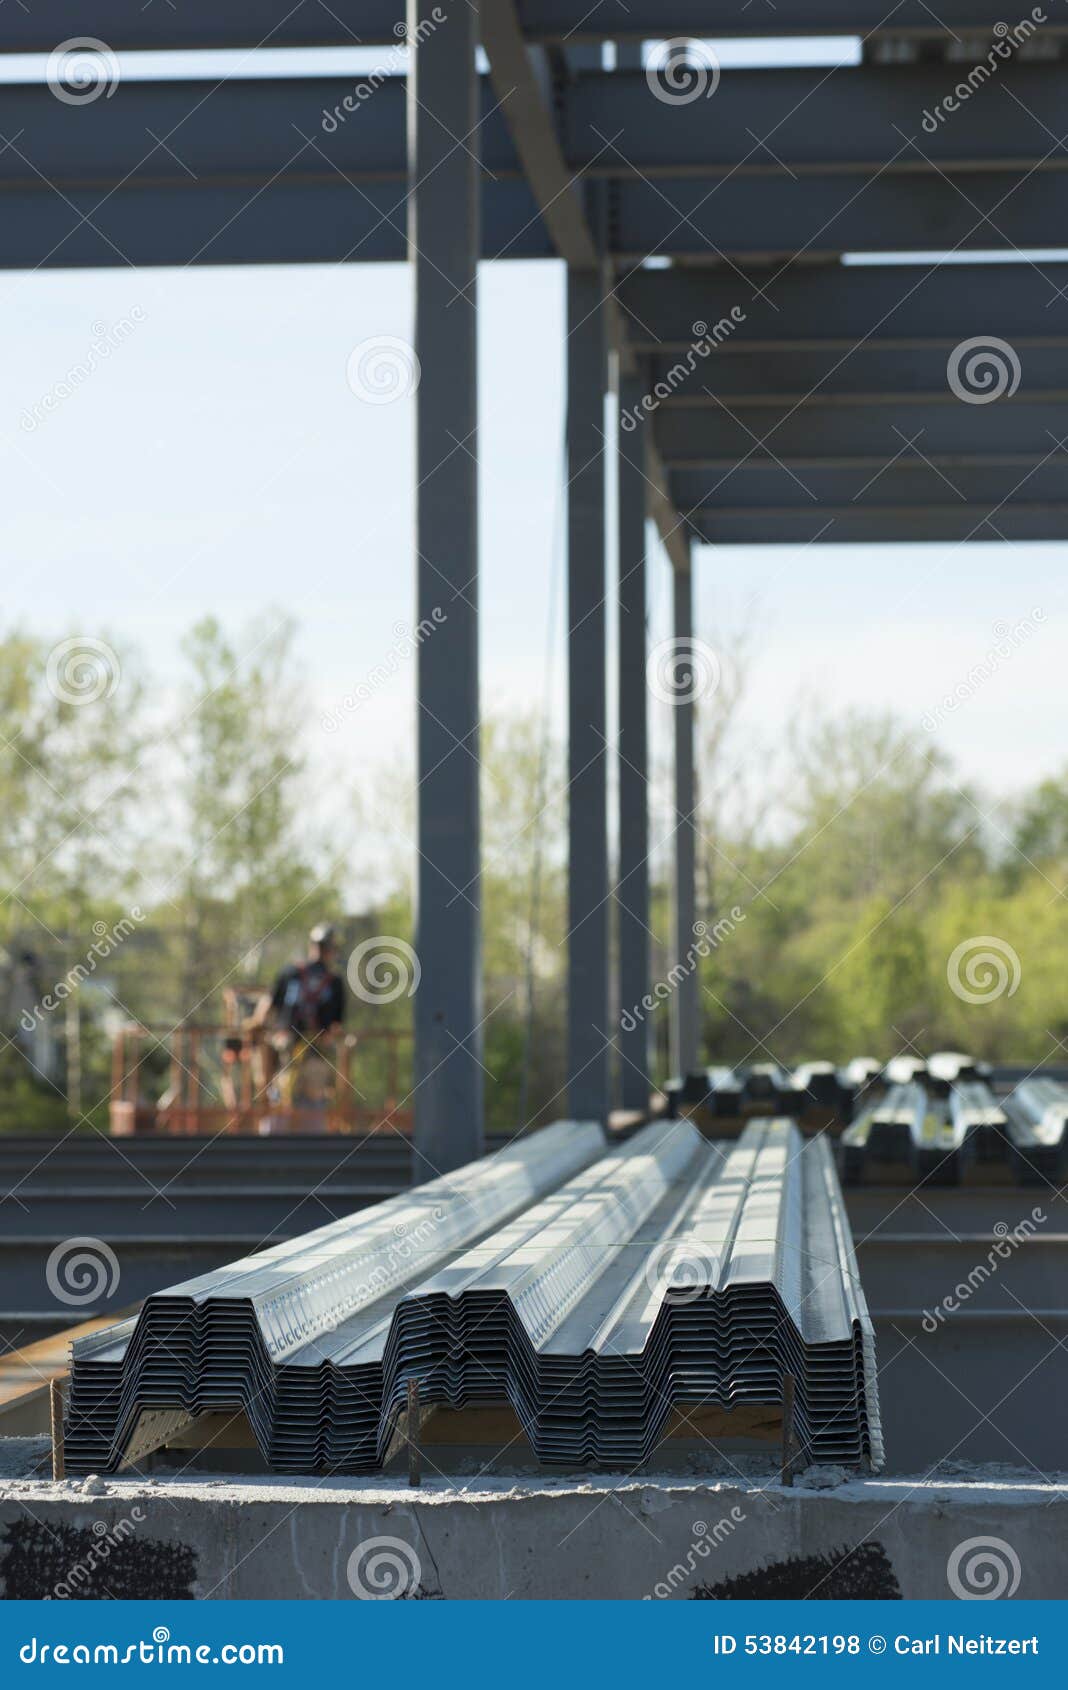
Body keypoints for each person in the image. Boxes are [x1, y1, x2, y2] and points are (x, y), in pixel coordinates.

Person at [247, 923, 345, 1131]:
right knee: (300, 1106)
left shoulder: (298, 974)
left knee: (288, 1103)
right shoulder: (317, 978)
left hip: (299, 1054)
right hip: (300, 1054)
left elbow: (265, 1010)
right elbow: (335, 1029)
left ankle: (283, 1153)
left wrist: (257, 1028)